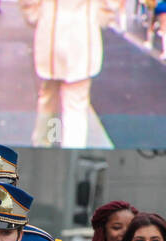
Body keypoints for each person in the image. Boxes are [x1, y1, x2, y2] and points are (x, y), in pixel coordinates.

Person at [20, 0, 119, 147]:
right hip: (83, 35)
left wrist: (35, 16)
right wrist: (100, 18)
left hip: (50, 33)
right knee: (76, 107)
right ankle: (71, 161)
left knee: (48, 100)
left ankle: (42, 151)